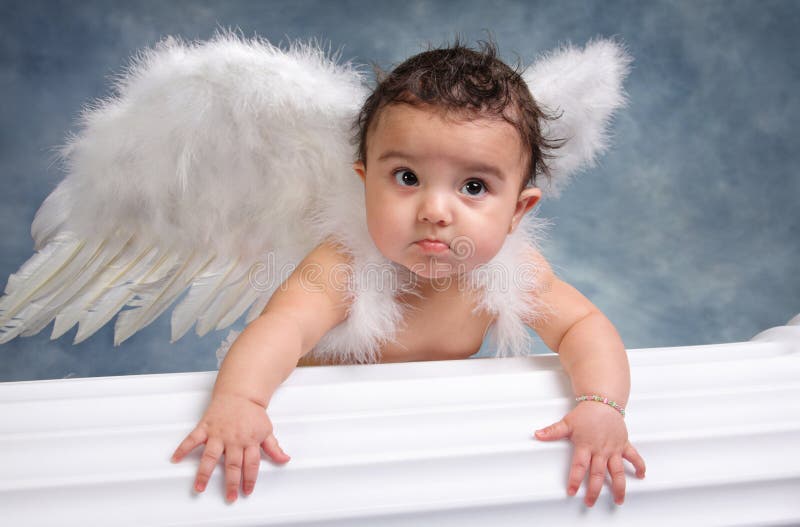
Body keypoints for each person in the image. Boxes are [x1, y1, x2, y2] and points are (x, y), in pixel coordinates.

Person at [170, 40, 646, 508]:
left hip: (419, 432)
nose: (435, 210)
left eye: (474, 186)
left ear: (518, 211)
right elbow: (282, 328)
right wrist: (243, 402)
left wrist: (602, 405)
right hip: (326, 432)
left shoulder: (514, 271)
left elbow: (584, 326)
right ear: (366, 182)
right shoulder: (342, 265)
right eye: (406, 178)